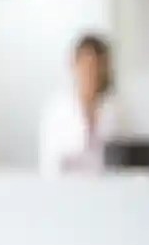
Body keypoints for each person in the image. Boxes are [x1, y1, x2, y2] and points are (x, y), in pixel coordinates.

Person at [39, 34, 120, 175]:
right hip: (66, 188)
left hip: (106, 189)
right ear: (74, 65)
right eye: (86, 65)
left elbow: (121, 160)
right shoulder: (57, 110)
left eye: (96, 66)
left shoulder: (115, 110)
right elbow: (50, 162)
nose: (91, 72)